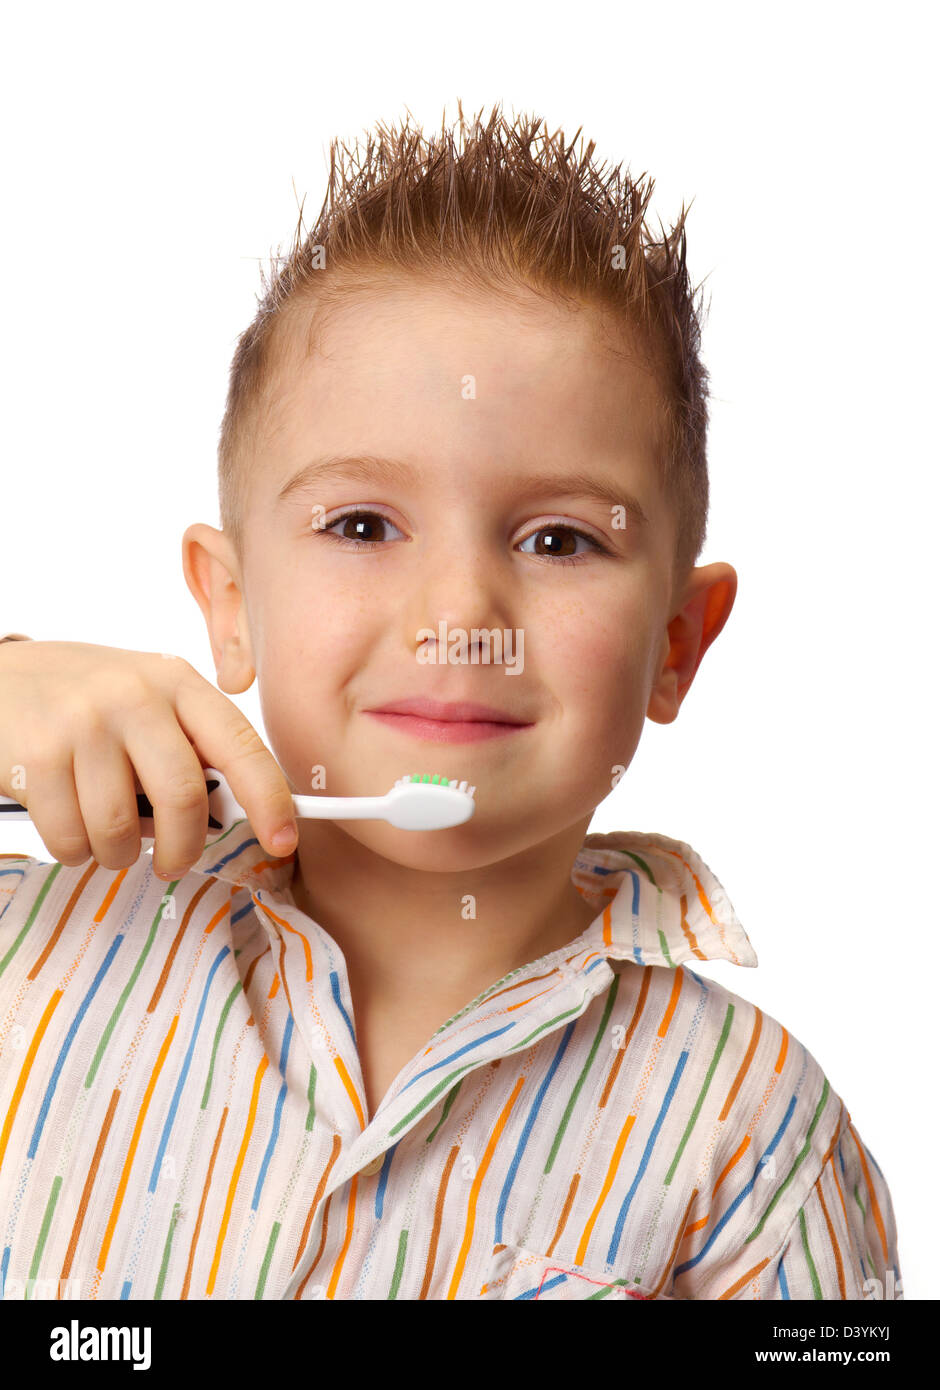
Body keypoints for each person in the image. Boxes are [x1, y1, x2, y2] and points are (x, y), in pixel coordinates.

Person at [0, 103, 901, 1301]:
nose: (457, 610)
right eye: (362, 524)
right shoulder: (37, 933)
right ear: (228, 604)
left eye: (558, 538)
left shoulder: (751, 1136)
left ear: (677, 643)